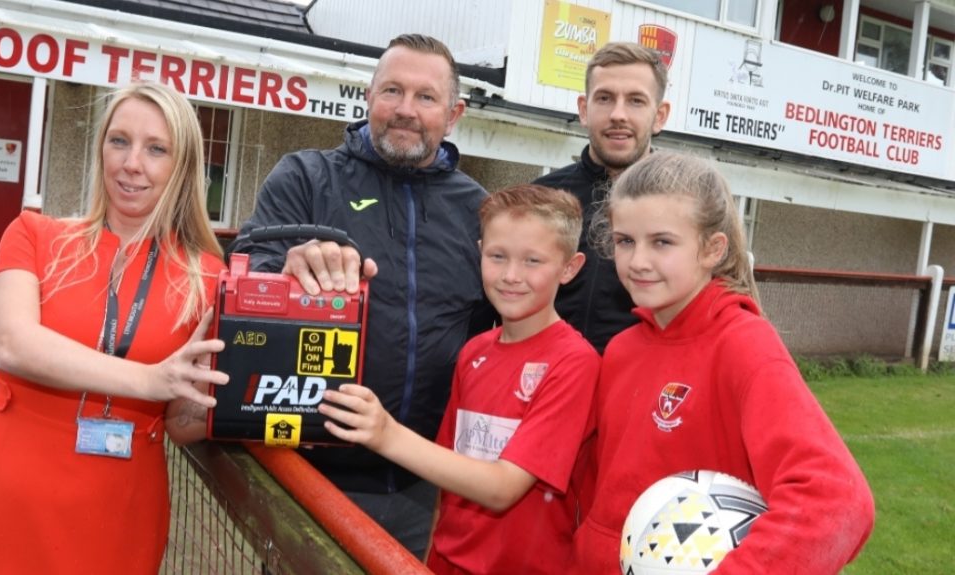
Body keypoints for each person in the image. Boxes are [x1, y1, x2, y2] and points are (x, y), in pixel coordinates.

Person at [0, 82, 229, 574]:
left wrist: (246, 400)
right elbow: (14, 345)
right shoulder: (33, 235)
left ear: (184, 167)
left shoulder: (210, 278)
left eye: (156, 149)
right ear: (100, 149)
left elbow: (180, 421)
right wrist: (151, 380)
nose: (132, 163)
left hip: (119, 516)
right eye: (119, 141)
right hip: (3, 499)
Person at [227, 34, 492, 556]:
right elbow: (246, 277)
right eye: (392, 91)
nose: (405, 111)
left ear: (454, 112)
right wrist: (288, 266)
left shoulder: (478, 209)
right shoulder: (305, 176)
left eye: (425, 97)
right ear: (368, 96)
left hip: (426, 485)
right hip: (312, 474)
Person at [571, 152, 875, 573]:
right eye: (625, 241)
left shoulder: (743, 345)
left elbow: (836, 500)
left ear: (712, 249)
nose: (638, 260)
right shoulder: (622, 350)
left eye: (662, 242)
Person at [319, 184, 600, 574]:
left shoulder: (575, 363)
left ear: (570, 268)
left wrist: (387, 433)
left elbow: (502, 489)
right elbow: (447, 475)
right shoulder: (474, 353)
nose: (511, 275)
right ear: (479, 252)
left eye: (533, 261)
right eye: (497, 256)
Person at [534, 41, 671, 353]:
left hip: (641, 392)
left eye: (636, 101)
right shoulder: (538, 200)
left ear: (660, 115)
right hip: (547, 391)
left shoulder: (689, 207)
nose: (618, 115)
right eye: (605, 98)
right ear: (584, 109)